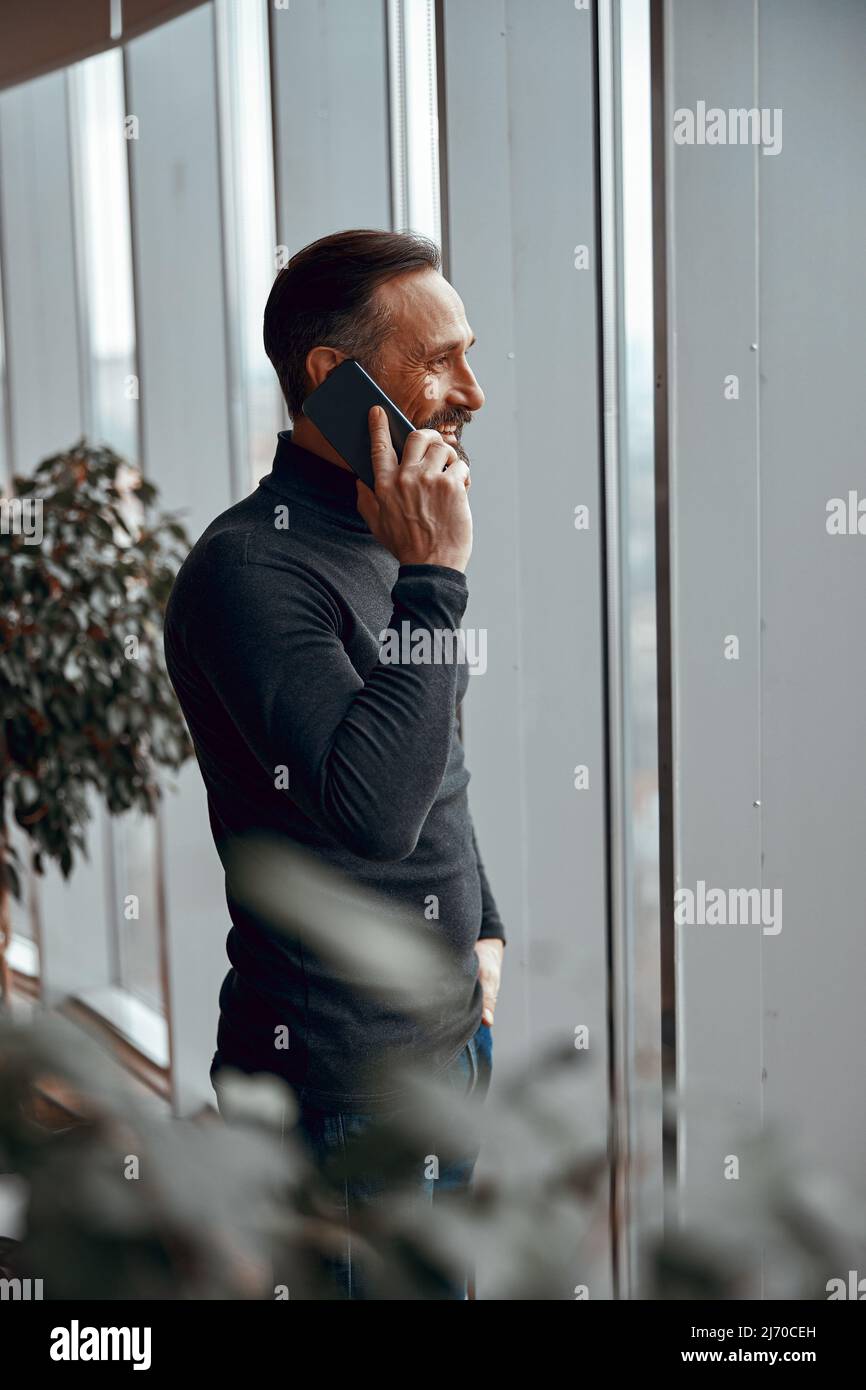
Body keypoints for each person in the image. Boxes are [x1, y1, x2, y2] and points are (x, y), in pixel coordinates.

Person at [164, 229, 505, 1298]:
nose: (472, 393)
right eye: (439, 358)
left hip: (445, 1043)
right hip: (342, 1080)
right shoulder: (250, 570)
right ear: (333, 375)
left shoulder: (384, 530)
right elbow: (370, 810)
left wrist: (481, 924)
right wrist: (437, 581)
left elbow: (432, 754)